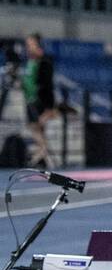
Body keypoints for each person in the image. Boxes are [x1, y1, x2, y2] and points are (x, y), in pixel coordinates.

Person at [21, 33, 56, 168]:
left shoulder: (44, 62)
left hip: (40, 101)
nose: (28, 48)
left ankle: (41, 155)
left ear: (38, 46)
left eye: (31, 45)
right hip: (30, 99)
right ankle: (42, 156)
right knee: (36, 129)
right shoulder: (30, 62)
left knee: (36, 127)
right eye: (27, 45)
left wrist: (49, 108)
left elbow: (48, 86)